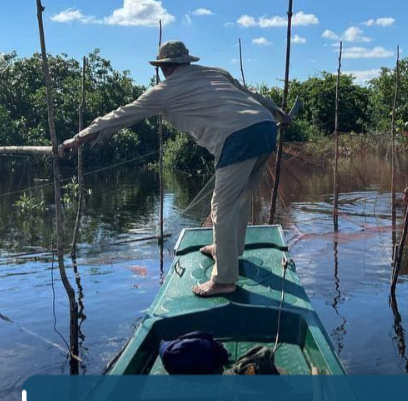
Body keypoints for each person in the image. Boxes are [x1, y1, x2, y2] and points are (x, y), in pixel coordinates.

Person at [59, 40, 291, 297]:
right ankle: (228, 250)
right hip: (266, 128)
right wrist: (280, 113)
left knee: (221, 207)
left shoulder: (163, 91)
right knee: (239, 197)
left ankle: (225, 278)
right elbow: (252, 95)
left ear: (164, 68)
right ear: (186, 62)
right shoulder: (216, 72)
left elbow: (121, 115)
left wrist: (78, 138)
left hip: (237, 138)